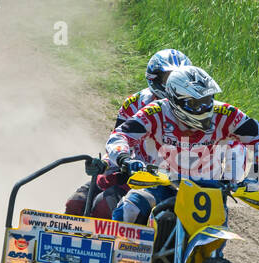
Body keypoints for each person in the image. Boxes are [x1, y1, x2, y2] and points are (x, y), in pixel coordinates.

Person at [108, 65, 259, 224]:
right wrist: (123, 158)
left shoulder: (225, 114)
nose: (204, 108)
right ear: (175, 100)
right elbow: (121, 134)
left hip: (209, 189)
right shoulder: (156, 112)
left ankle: (212, 255)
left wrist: (253, 178)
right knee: (129, 209)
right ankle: (115, 251)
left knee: (217, 231)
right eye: (195, 104)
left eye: (207, 100)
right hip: (161, 182)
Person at [64, 49, 192, 217]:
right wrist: (104, 164)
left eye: (179, 78)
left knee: (103, 206)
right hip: (128, 171)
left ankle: (113, 243)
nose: (174, 84)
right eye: (170, 78)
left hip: (163, 180)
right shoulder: (134, 103)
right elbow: (118, 140)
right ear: (154, 78)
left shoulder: (192, 109)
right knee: (75, 203)